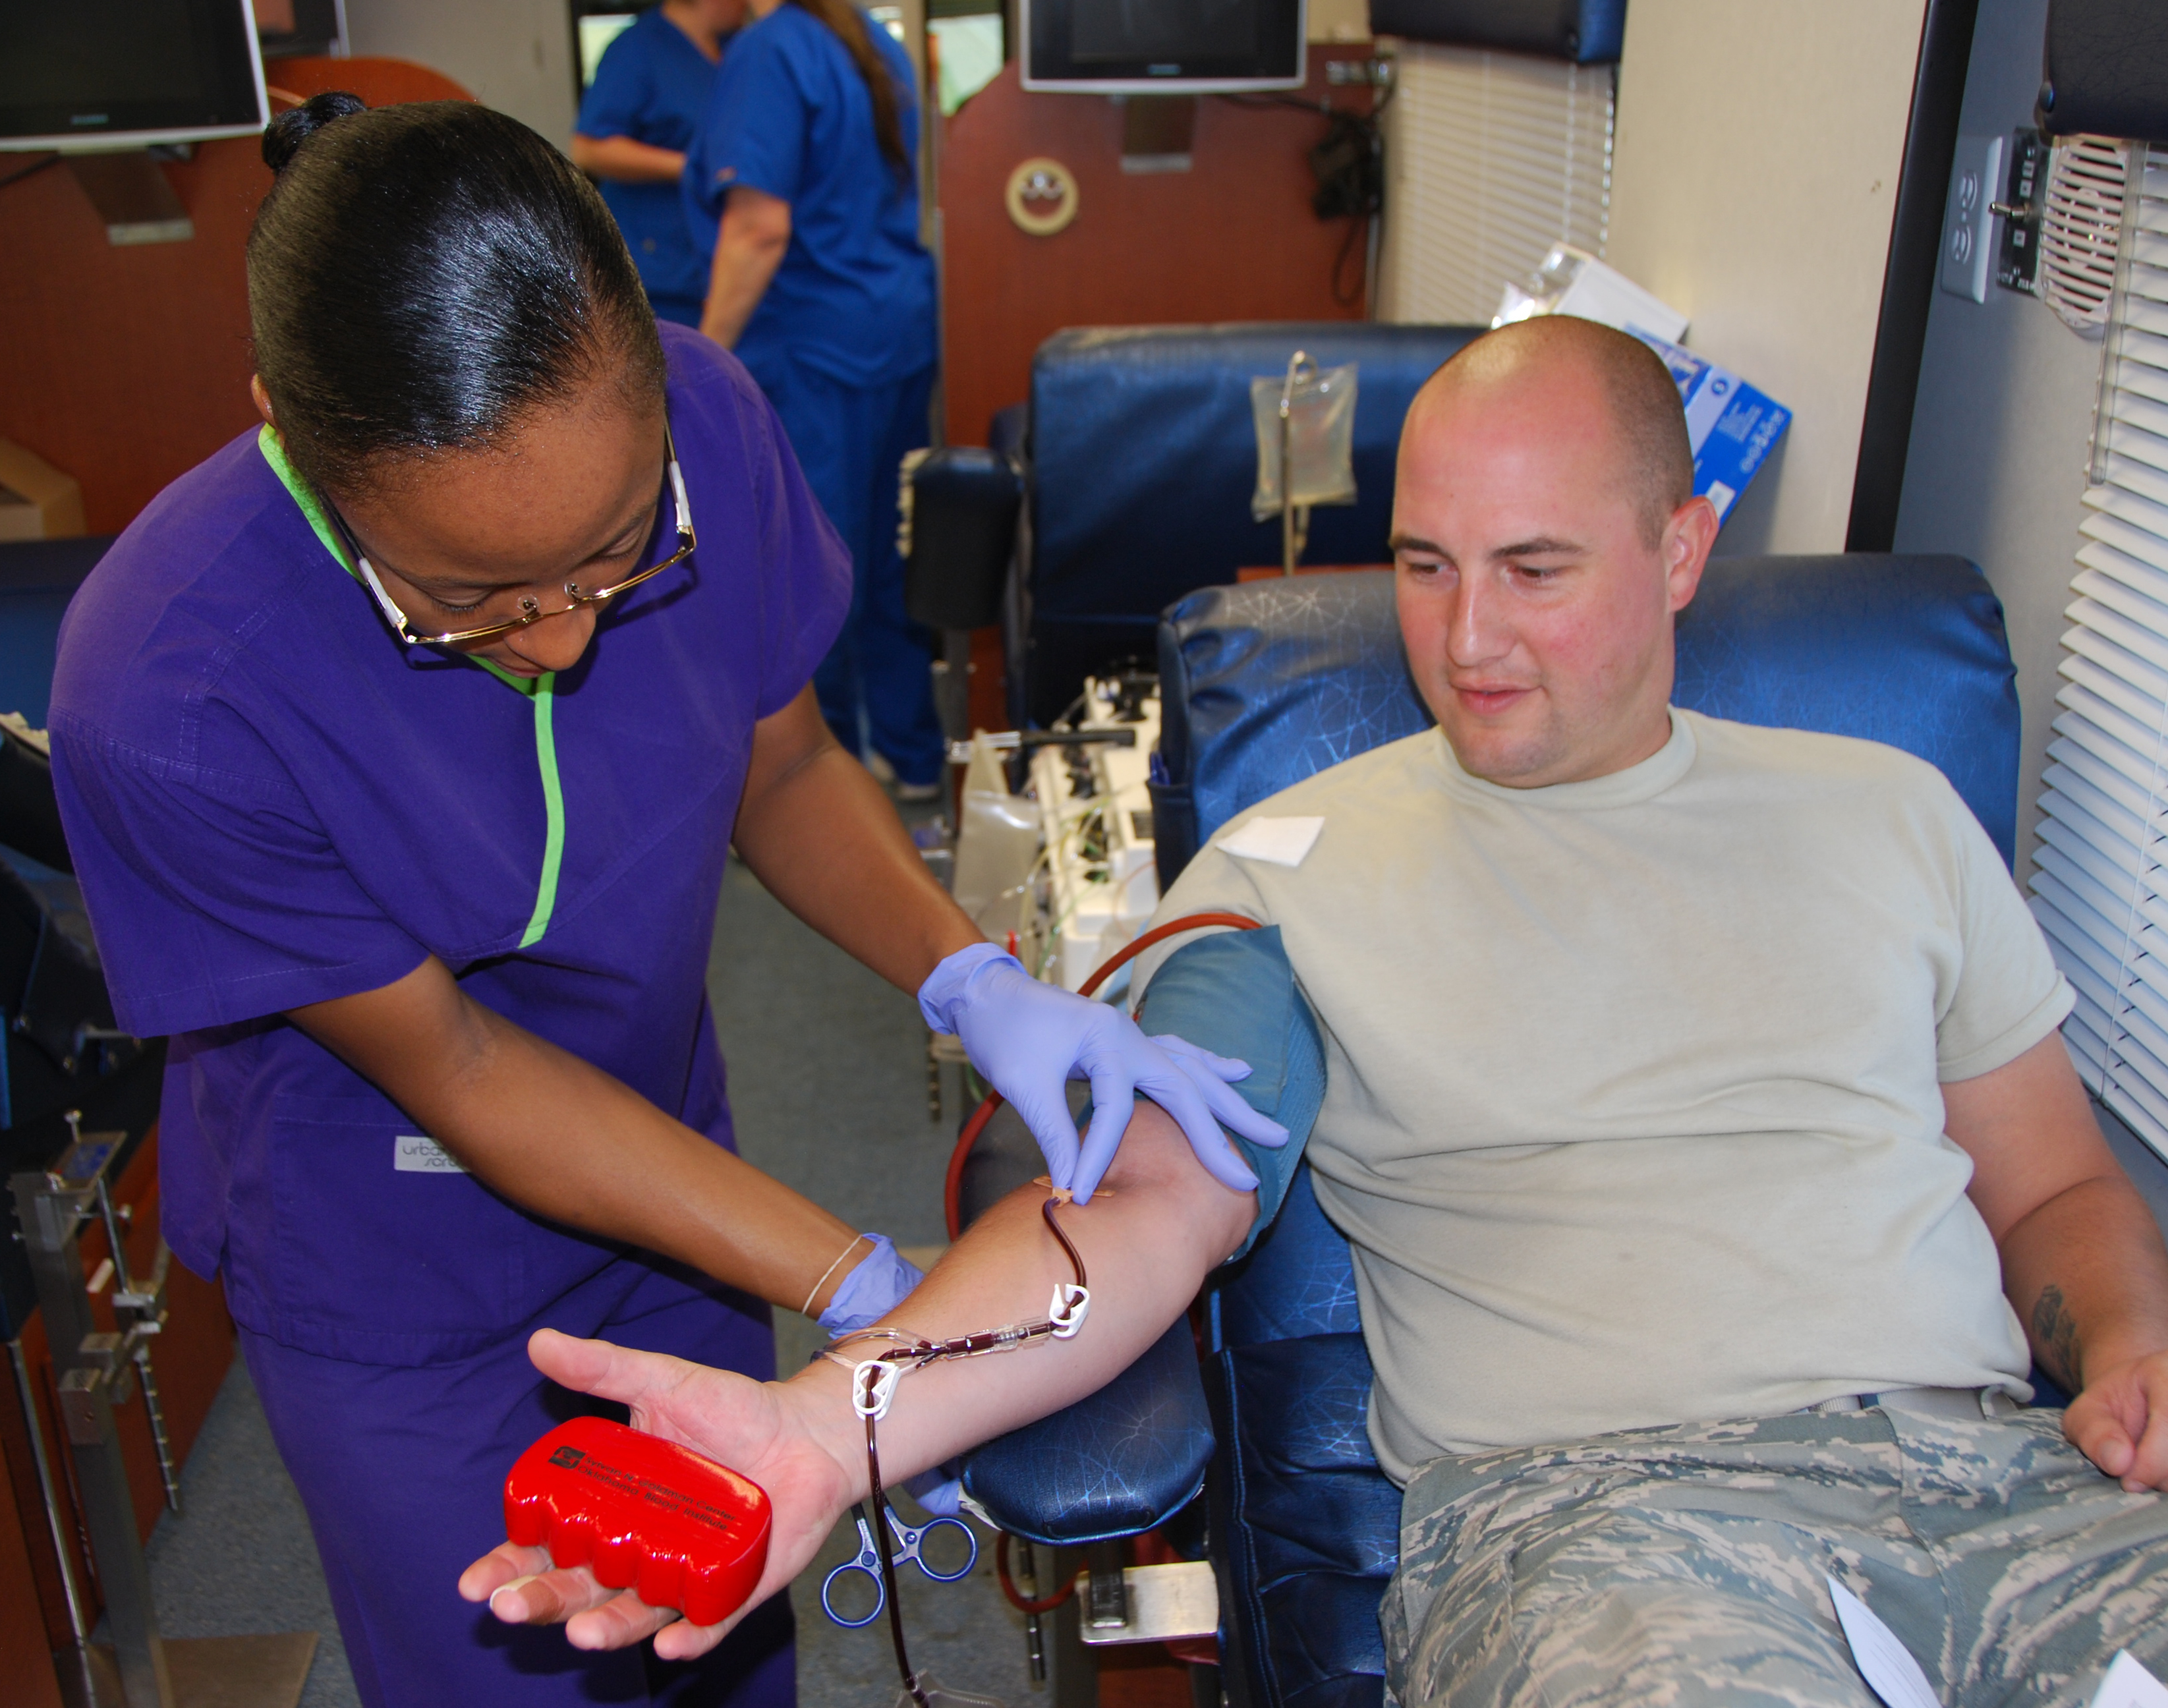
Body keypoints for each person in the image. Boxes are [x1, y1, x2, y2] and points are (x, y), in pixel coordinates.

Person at [464, 317, 2168, 1707]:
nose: (1469, 638)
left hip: (1993, 1484)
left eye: (1535, 568)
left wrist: (2131, 1344)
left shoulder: (1889, 812)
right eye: (1426, 566)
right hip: (1612, 1533)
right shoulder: (1292, 866)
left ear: (1682, 548)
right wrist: (822, 1432)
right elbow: (1137, 1217)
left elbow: (2059, 1195)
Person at [47, 94, 1282, 1708]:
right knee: (525, 1667)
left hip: (674, 1174)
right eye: (468, 598)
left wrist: (974, 972)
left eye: (615, 556)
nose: (562, 637)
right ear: (289, 430)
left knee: (719, 1632)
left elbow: (782, 770)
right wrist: (857, 1276)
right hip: (394, 1254)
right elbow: (468, 1071)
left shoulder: (710, 415)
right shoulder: (169, 687)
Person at [683, 0, 944, 795]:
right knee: (884, 556)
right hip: (892, 331)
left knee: (806, 570)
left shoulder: (770, 53)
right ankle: (910, 754)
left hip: (814, 351)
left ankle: (812, 784)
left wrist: (695, 362)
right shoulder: (870, 41)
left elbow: (759, 227)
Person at [571, 0, 742, 328]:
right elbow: (589, 148)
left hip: (715, 262)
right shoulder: (636, 49)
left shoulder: (734, 48)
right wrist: (689, 168)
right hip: (659, 267)